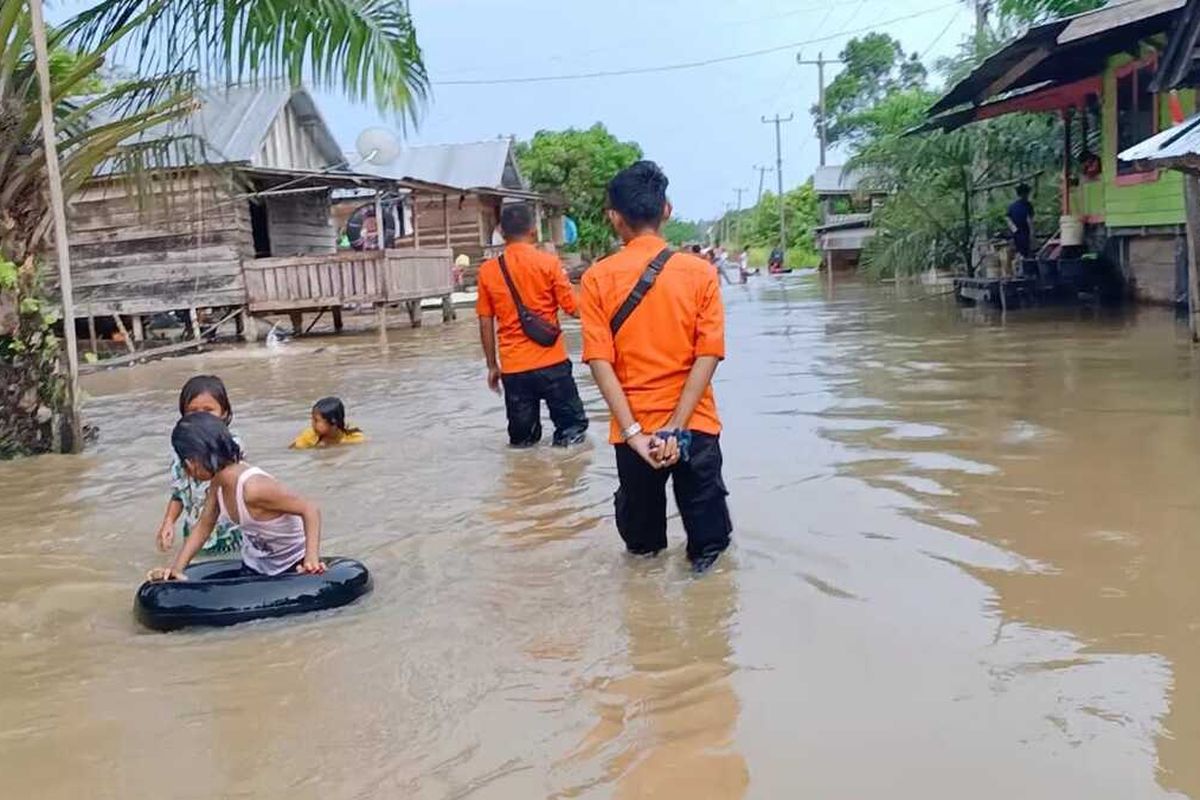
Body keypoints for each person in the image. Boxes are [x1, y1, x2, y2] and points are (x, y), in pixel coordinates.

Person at [578, 160, 731, 572]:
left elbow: (599, 362)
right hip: (695, 427)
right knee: (709, 555)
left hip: (635, 436)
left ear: (614, 217)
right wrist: (677, 427)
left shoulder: (596, 279)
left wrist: (633, 433)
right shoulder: (701, 274)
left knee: (642, 556)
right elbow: (709, 354)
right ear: (667, 210)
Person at [148, 412, 324, 581]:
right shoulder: (218, 483)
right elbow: (203, 526)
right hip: (257, 564)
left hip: (292, 564)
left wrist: (311, 559)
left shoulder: (253, 488)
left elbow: (310, 509)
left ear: (190, 463)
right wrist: (177, 569)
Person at [477, 203, 589, 447]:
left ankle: (526, 483)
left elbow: (485, 321)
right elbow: (575, 309)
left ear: (501, 232)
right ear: (533, 231)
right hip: (552, 363)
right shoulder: (548, 263)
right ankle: (569, 481)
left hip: (514, 368)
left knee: (521, 443)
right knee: (572, 432)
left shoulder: (487, 271)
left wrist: (492, 365)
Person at [153, 375, 243, 555]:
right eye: (193, 411)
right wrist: (168, 522)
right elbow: (179, 494)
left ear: (224, 413)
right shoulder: (181, 452)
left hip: (229, 536)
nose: (201, 416)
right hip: (194, 533)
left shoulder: (230, 447)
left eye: (208, 410)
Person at [291, 397, 366, 449]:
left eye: (316, 420)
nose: (312, 423)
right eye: (312, 419)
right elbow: (293, 451)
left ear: (334, 424)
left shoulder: (353, 437)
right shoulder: (309, 436)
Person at [1007, 183, 1036, 259]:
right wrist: (1032, 233)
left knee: (1023, 253)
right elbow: (1030, 220)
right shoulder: (1016, 206)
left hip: (1021, 232)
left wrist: (1014, 230)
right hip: (1022, 233)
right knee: (1025, 253)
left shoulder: (1015, 206)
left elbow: (1030, 219)